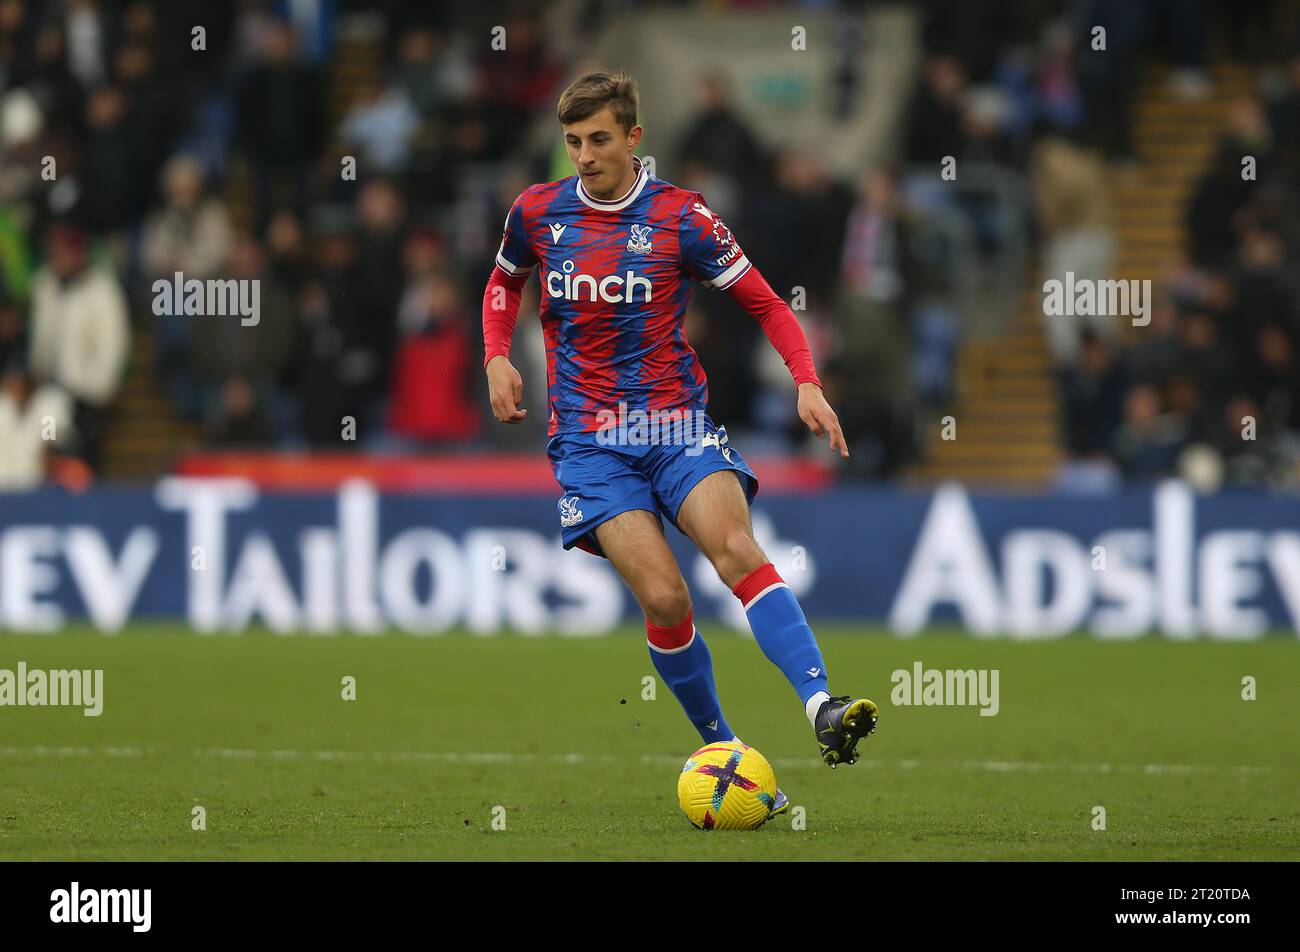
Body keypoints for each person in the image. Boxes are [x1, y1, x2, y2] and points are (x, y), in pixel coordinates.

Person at [480, 71, 878, 818]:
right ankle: (722, 749)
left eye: (599, 139)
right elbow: (503, 284)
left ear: (634, 138)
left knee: (735, 549)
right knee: (665, 596)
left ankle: (822, 706)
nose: (584, 156)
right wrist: (497, 355)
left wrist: (807, 380)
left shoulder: (681, 218)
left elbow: (764, 300)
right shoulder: (537, 212)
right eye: (572, 142)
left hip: (674, 426)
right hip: (591, 445)